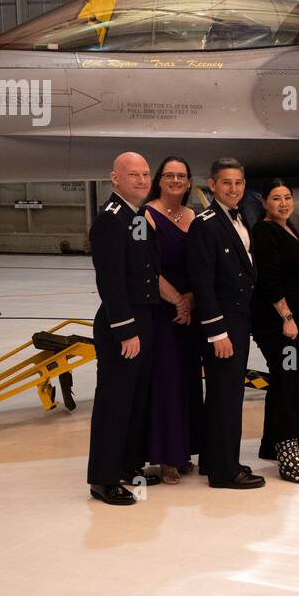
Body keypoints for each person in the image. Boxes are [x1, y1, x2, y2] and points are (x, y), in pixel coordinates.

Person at [86, 152, 162, 505]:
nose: (143, 180)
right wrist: (125, 329)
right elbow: (111, 280)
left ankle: (126, 465)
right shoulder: (110, 220)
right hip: (123, 324)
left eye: (146, 174)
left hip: (143, 320)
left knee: (136, 400)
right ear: (115, 178)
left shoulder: (139, 216)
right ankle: (103, 479)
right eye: (134, 175)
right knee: (114, 403)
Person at [188, 158, 266, 489]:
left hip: (240, 317)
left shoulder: (244, 216)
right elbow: (202, 283)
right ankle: (225, 471)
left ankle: (213, 459)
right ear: (213, 185)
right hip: (223, 323)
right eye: (226, 183)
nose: (233, 189)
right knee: (226, 396)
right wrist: (217, 332)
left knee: (225, 394)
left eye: (238, 183)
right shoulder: (206, 223)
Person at [250, 178, 299, 483]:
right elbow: (269, 279)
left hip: (296, 324)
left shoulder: (290, 229)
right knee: (290, 383)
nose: (283, 203)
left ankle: (271, 445)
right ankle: (289, 457)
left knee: (288, 381)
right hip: (281, 326)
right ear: (265, 203)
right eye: (276, 198)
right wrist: (287, 317)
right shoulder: (265, 231)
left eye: (287, 197)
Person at [142, 156, 202, 485]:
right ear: (160, 181)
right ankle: (165, 457)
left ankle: (184, 452)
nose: (176, 180)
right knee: (165, 384)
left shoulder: (194, 217)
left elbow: (199, 264)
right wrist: (178, 300)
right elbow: (149, 269)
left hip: (189, 312)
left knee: (188, 381)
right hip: (163, 312)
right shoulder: (147, 215)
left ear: (189, 182)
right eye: (169, 175)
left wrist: (191, 298)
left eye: (182, 175)